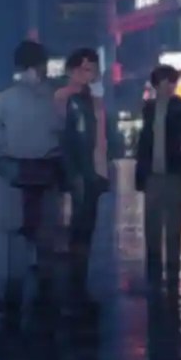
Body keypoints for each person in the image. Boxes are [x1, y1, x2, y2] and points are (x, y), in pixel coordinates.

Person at [0, 40, 62, 313]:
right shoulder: (53, 98)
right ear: (41, 65)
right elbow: (62, 134)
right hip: (47, 172)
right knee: (45, 232)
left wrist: (1, 158)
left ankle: (14, 296)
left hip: (15, 174)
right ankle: (46, 296)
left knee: (16, 234)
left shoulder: (5, 99)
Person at [55, 48, 120, 301]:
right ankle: (75, 274)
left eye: (92, 68)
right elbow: (66, 135)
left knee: (88, 219)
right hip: (79, 167)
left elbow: (102, 134)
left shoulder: (93, 98)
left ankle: (79, 269)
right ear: (72, 70)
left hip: (96, 165)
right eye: (85, 68)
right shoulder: (65, 97)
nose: (90, 72)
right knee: (80, 219)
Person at [135, 65, 181, 289]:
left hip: (174, 173)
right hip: (154, 174)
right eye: (164, 82)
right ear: (156, 84)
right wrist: (141, 174)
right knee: (152, 223)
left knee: (173, 223)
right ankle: (155, 264)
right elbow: (144, 142)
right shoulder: (150, 109)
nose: (168, 86)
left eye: (171, 82)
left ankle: (172, 266)